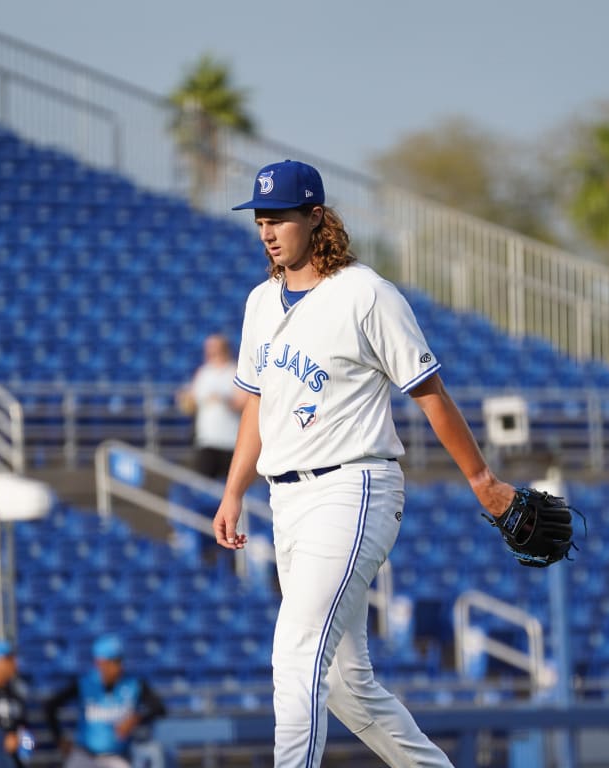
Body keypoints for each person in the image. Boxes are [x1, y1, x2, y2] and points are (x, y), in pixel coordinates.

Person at [212, 160, 516, 767]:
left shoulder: (366, 293)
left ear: (316, 217)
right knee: (349, 687)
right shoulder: (258, 303)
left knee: (296, 653)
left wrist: (481, 479)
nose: (268, 231)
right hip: (288, 500)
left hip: (353, 490)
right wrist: (232, 491)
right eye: (260, 219)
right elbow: (256, 409)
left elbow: (430, 393)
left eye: (281, 218)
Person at [42, 634, 167, 768]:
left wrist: (136, 718)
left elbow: (159, 708)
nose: (118, 667)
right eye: (112, 662)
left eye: (119, 661)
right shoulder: (85, 683)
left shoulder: (133, 684)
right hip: (84, 754)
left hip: (115, 757)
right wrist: (59, 738)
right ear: (99, 663)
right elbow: (50, 706)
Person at [177, 334, 249, 479]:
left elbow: (244, 404)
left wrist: (223, 400)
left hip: (230, 441)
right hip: (207, 440)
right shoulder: (203, 374)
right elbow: (191, 405)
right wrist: (185, 399)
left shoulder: (234, 372)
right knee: (204, 486)